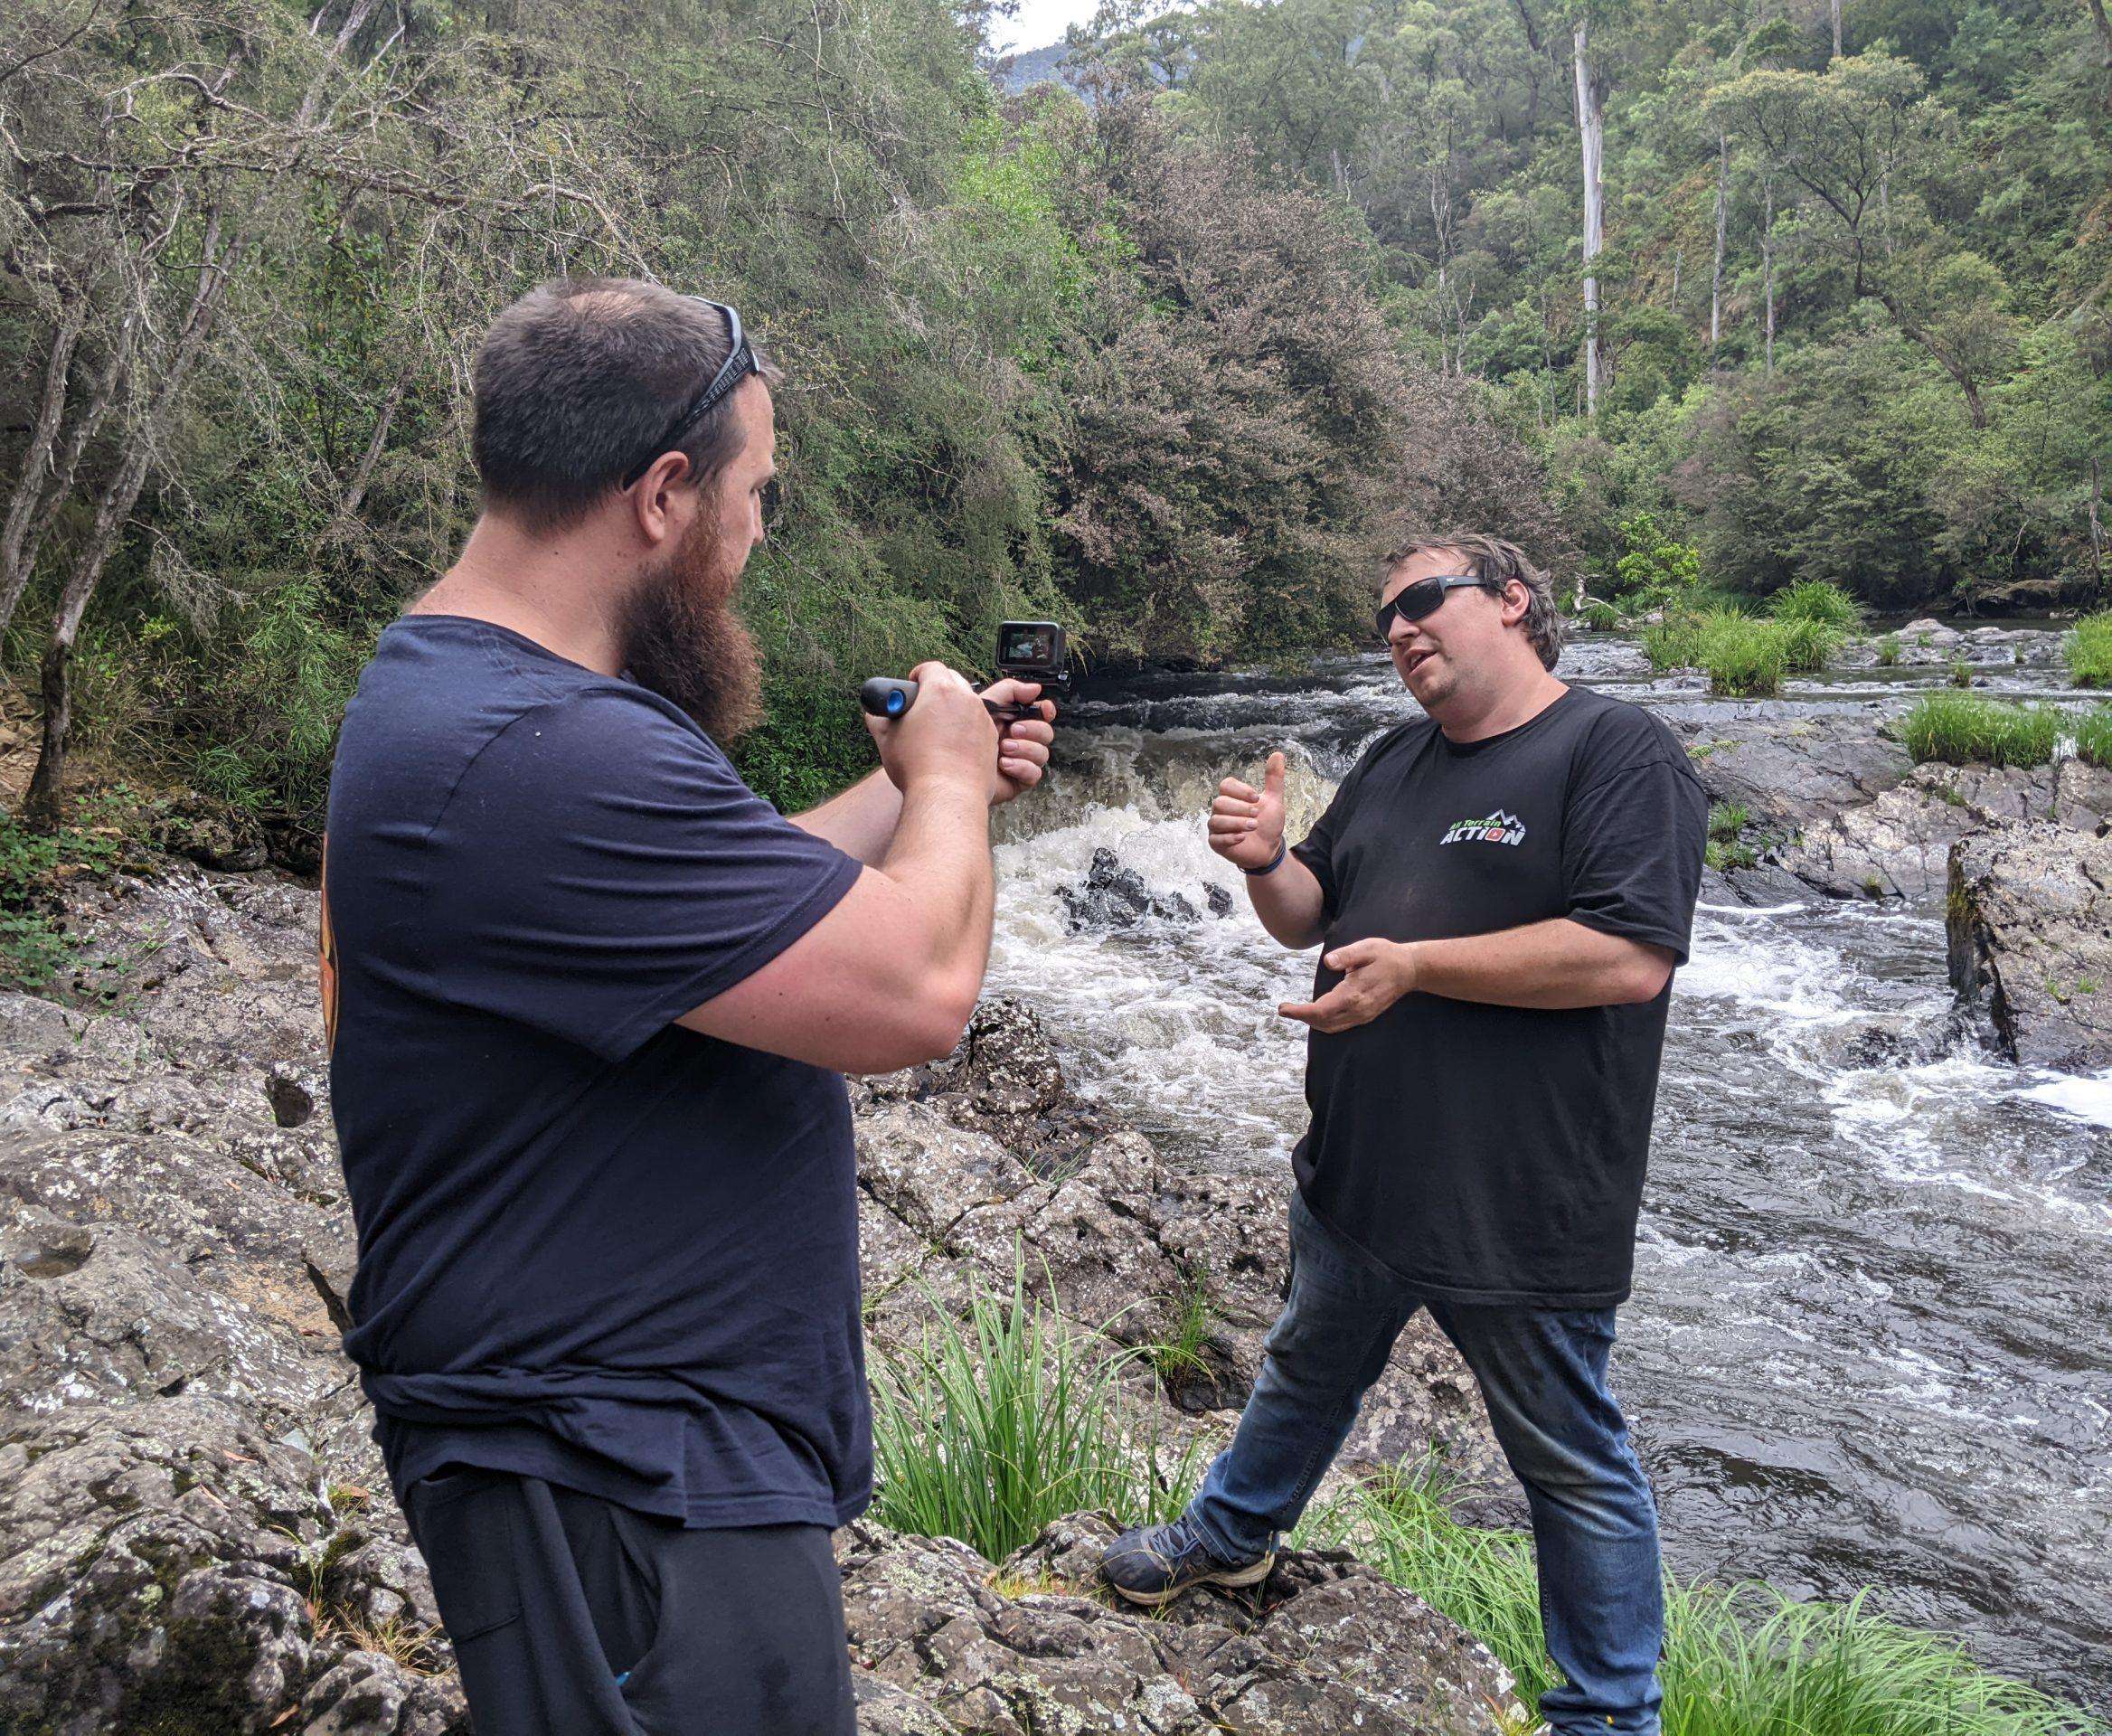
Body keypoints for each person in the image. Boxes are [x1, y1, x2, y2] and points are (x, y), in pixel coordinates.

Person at [320, 278, 1056, 1735]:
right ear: (664, 494)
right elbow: (917, 989)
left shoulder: (473, 699)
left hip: (611, 1452)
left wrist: (916, 793)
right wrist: (950, 788)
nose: (758, 533)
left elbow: (711, 904)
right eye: (755, 492)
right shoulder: (540, 747)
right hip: (613, 1470)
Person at [1099, 533, 1706, 1736]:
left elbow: (1629, 956)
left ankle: (1608, 1714)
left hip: (1518, 1191)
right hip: (1361, 1168)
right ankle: (1232, 1535)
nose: (1399, 628)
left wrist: (1422, 967)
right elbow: (1306, 917)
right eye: (1385, 615)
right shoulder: (1392, 758)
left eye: (1424, 597)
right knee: (1306, 1366)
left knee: (1570, 1462)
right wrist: (1266, 859)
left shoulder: (1617, 751)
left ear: (1514, 600)